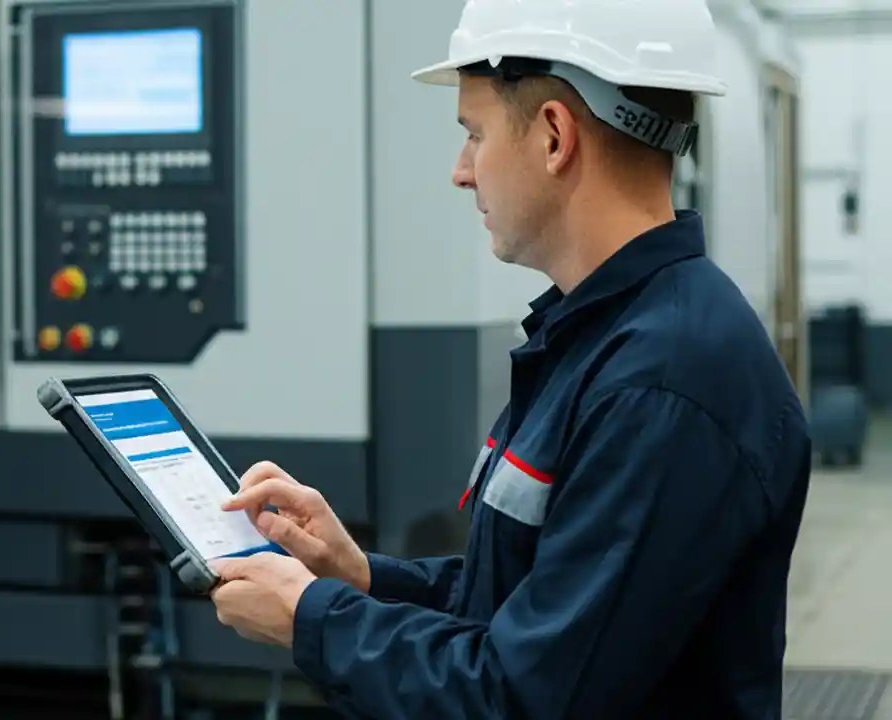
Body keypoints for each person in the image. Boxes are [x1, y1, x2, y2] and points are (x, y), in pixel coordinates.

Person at [207, 1, 813, 717]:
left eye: (475, 134)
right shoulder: (605, 337)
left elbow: (523, 695)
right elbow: (528, 601)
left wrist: (315, 620)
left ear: (555, 136)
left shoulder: (662, 382)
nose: (461, 172)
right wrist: (361, 576)